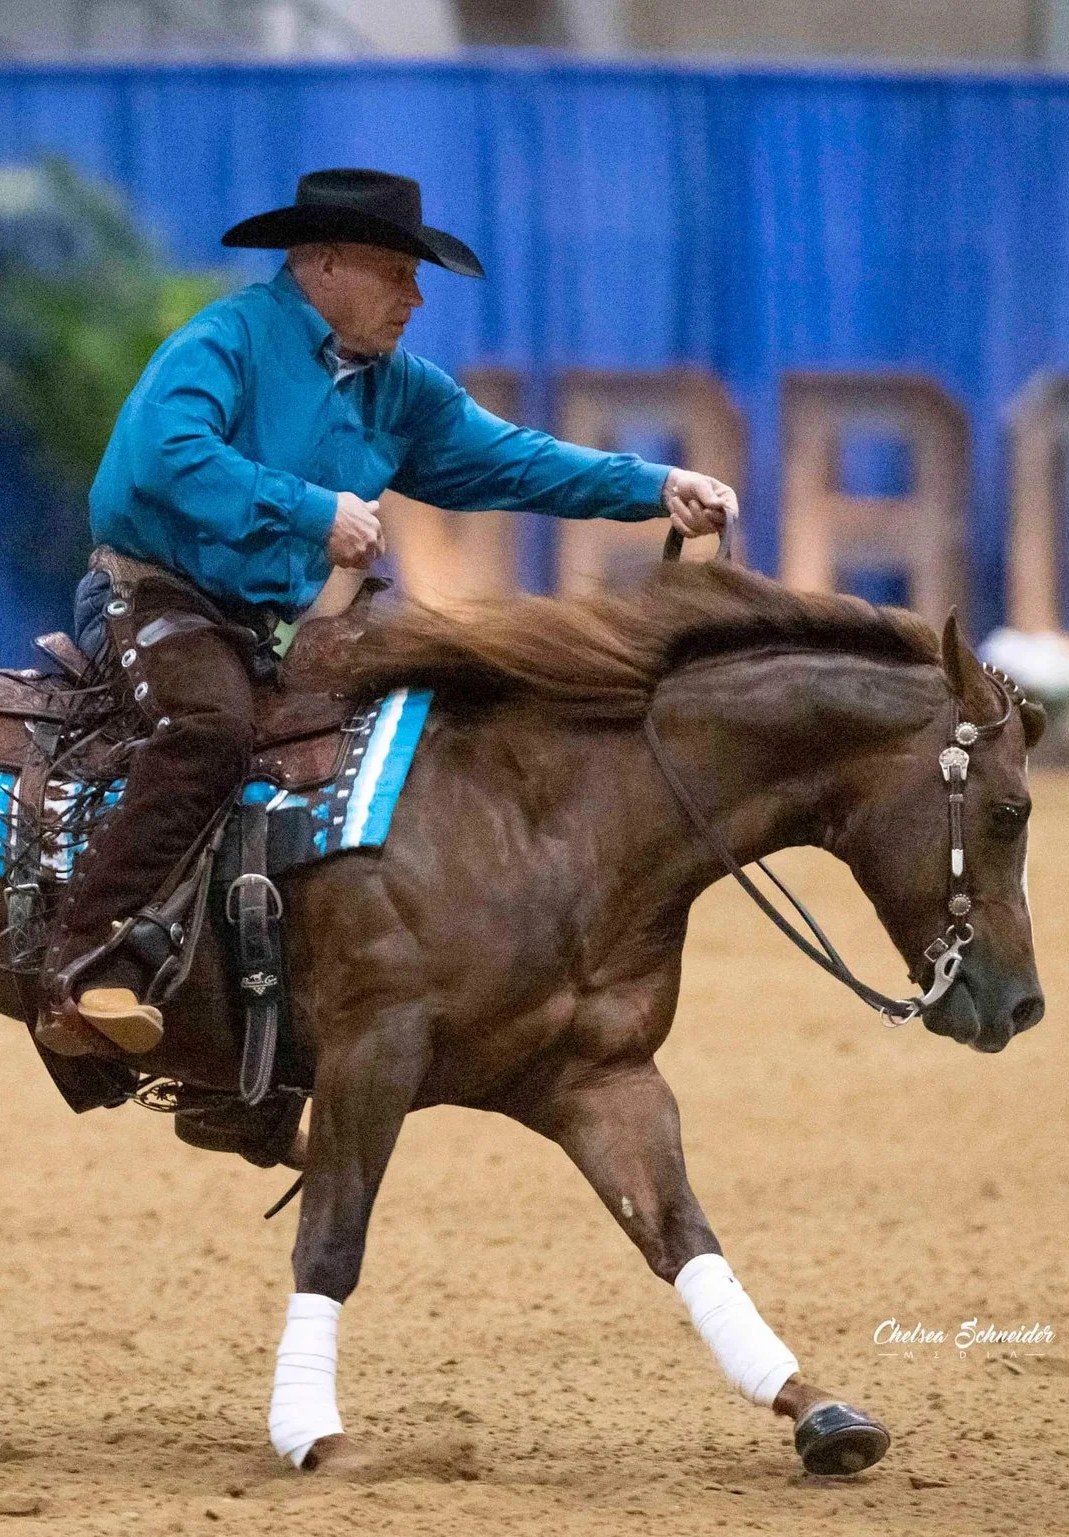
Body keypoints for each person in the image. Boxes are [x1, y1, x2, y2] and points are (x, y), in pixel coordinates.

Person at [38, 167, 737, 1057]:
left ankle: (263, 1025)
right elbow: (165, 457)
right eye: (396, 273)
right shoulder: (228, 340)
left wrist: (655, 485)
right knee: (210, 729)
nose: (414, 299)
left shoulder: (400, 388)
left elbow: (516, 460)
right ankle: (84, 961)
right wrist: (310, 510)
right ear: (325, 263)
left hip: (273, 623)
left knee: (415, 727)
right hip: (152, 594)